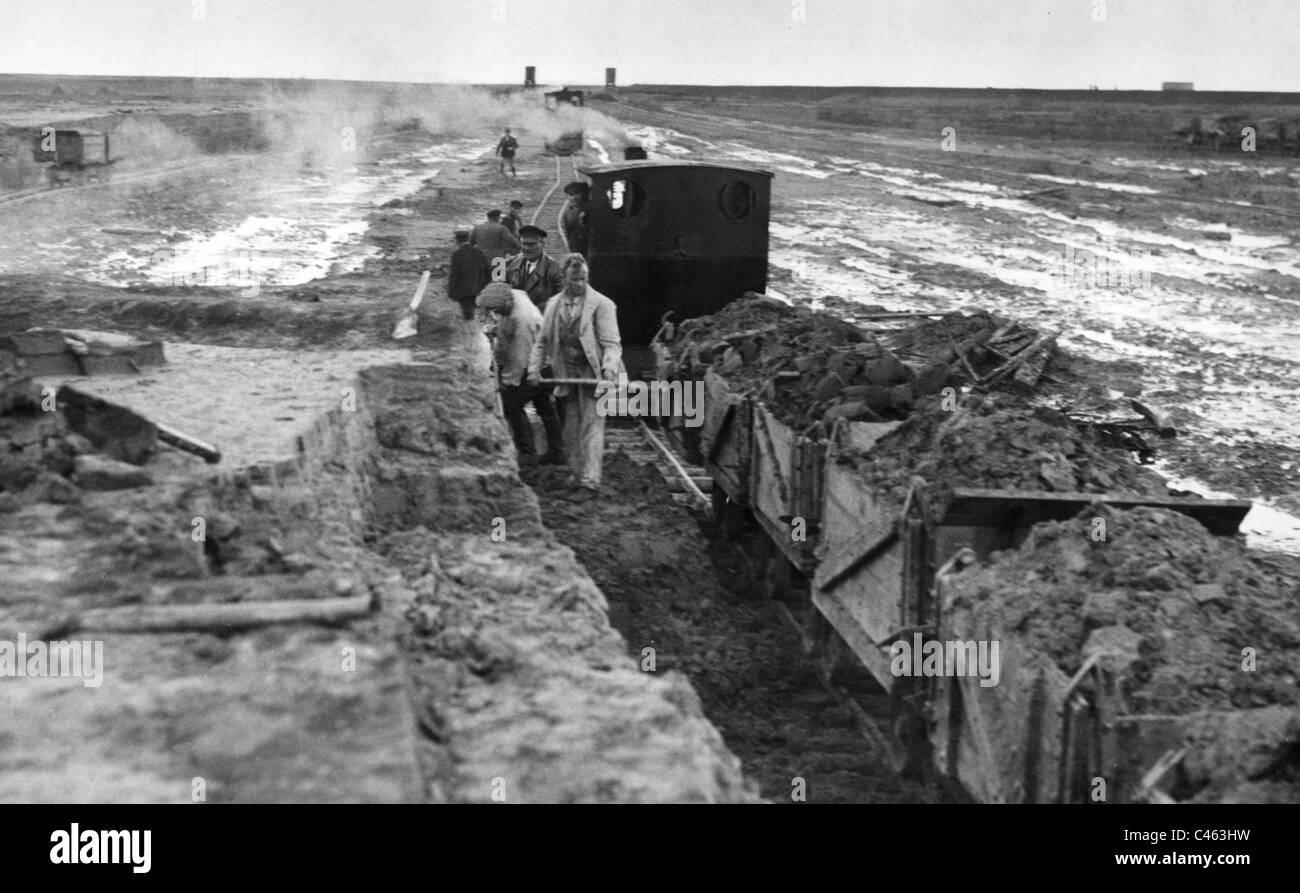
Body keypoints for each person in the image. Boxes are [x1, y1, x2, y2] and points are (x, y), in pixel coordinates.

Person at [527, 254, 622, 493]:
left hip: (593, 374)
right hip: (566, 374)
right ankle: (576, 474)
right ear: (565, 278)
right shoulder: (553, 305)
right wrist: (533, 369)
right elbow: (542, 342)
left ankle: (590, 482)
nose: (579, 283)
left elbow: (612, 344)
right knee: (570, 428)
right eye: (574, 279)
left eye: (583, 278)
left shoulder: (602, 304)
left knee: (592, 427)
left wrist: (609, 369)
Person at [477, 282, 564, 466]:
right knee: (544, 404)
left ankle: (527, 453)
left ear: (506, 304)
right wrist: (496, 330)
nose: (496, 314)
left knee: (511, 404)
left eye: (497, 310)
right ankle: (557, 451)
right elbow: (505, 323)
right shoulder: (514, 296)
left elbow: (519, 361)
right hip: (538, 358)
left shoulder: (523, 319)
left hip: (536, 365)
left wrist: (507, 382)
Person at [504, 224, 564, 311]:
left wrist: (536, 309)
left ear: (542, 245)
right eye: (524, 244)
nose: (526, 248)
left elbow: (562, 297)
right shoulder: (513, 264)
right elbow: (499, 286)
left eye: (531, 244)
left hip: (541, 320)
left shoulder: (554, 268)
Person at [447, 229, 489, 321]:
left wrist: (451, 292)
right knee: (480, 316)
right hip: (479, 290)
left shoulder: (457, 255)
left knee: (468, 318)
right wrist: (487, 286)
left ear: (457, 241)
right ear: (468, 239)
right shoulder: (479, 252)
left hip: (464, 292)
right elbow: (487, 270)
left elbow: (454, 276)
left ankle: (471, 332)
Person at [560, 181, 590, 258]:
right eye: (571, 195)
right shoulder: (569, 210)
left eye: (577, 194)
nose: (573, 198)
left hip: (586, 247)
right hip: (574, 245)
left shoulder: (588, 209)